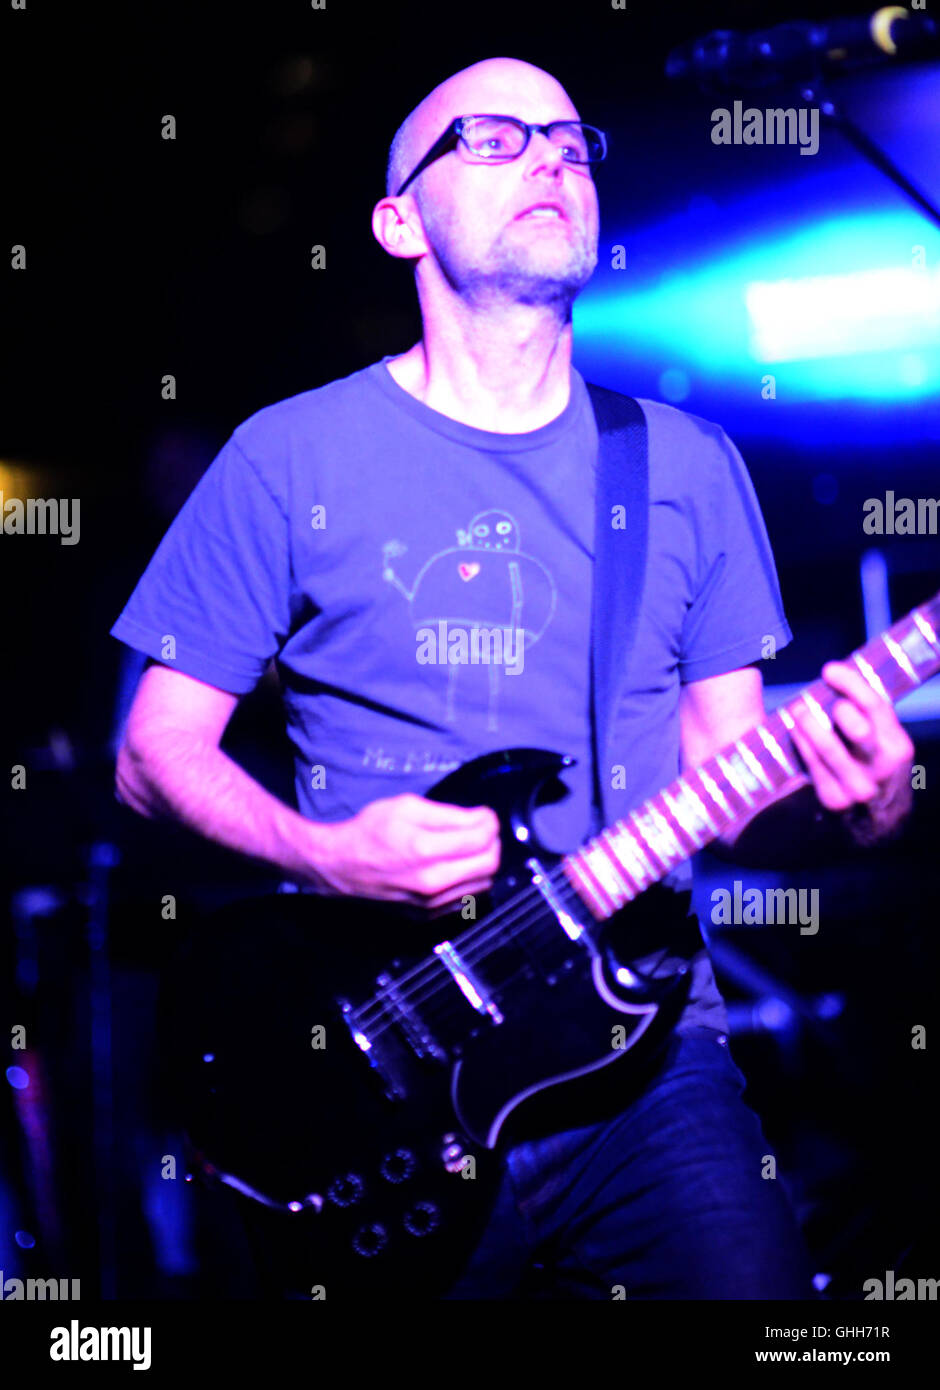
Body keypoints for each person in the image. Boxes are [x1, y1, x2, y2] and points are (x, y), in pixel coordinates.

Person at [111, 57, 914, 1299]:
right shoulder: (287, 454)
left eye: (565, 137)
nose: (548, 154)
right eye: (489, 136)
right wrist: (323, 856)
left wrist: (862, 804)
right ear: (397, 222)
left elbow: (730, 782)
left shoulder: (686, 466)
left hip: (646, 1060)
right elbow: (153, 753)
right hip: (381, 1056)